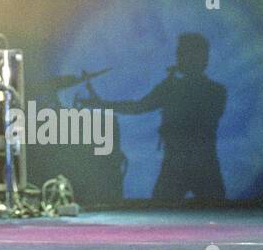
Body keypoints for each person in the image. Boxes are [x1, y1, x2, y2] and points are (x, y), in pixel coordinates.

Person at [87, 32, 227, 203]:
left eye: (183, 54)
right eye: (179, 54)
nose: (179, 59)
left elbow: (197, 118)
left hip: (202, 164)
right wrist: (102, 104)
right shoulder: (172, 87)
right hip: (176, 164)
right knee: (161, 211)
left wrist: (175, 84)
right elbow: (139, 106)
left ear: (201, 58)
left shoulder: (215, 91)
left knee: (217, 210)